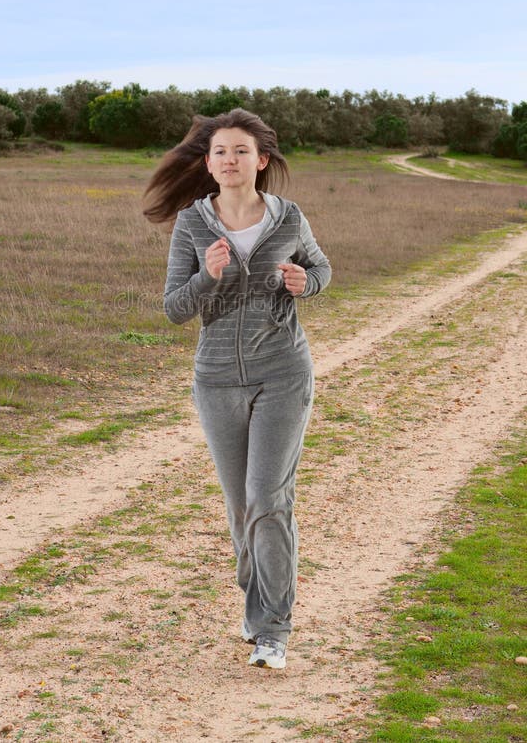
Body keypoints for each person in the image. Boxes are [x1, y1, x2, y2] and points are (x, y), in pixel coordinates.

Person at [143, 108, 331, 669]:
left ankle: (274, 629)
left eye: (241, 151)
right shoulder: (192, 224)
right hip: (218, 378)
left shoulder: (289, 218)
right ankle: (258, 609)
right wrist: (209, 275)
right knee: (240, 505)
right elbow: (176, 308)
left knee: (267, 500)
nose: (231, 160)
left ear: (260, 160)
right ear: (208, 163)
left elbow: (320, 270)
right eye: (221, 151)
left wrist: (306, 281)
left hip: (283, 372)